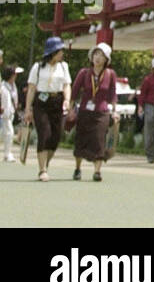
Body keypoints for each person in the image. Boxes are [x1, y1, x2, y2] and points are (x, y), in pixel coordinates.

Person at [24, 37, 72, 182]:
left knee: (56, 136)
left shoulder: (64, 67)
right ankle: (42, 169)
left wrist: (67, 99)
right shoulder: (38, 67)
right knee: (44, 133)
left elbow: (66, 85)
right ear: (52, 52)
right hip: (41, 102)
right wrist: (28, 109)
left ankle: (45, 162)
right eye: (59, 50)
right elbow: (32, 89)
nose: (62, 53)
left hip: (57, 102)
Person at [70, 43, 118, 182]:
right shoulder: (84, 73)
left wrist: (114, 111)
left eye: (101, 55)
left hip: (101, 112)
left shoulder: (110, 74)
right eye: (96, 54)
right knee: (81, 139)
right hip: (85, 111)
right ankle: (78, 168)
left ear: (106, 60)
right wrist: (70, 109)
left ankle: (97, 171)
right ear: (91, 57)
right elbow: (75, 91)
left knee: (99, 140)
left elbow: (113, 93)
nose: (98, 58)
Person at [1, 65, 18, 162]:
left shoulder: (12, 85)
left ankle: (8, 153)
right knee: (9, 133)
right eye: (14, 74)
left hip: (10, 114)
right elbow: (5, 103)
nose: (16, 76)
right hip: (5, 115)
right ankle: (7, 155)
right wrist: (6, 116)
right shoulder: (3, 87)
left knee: (7, 134)